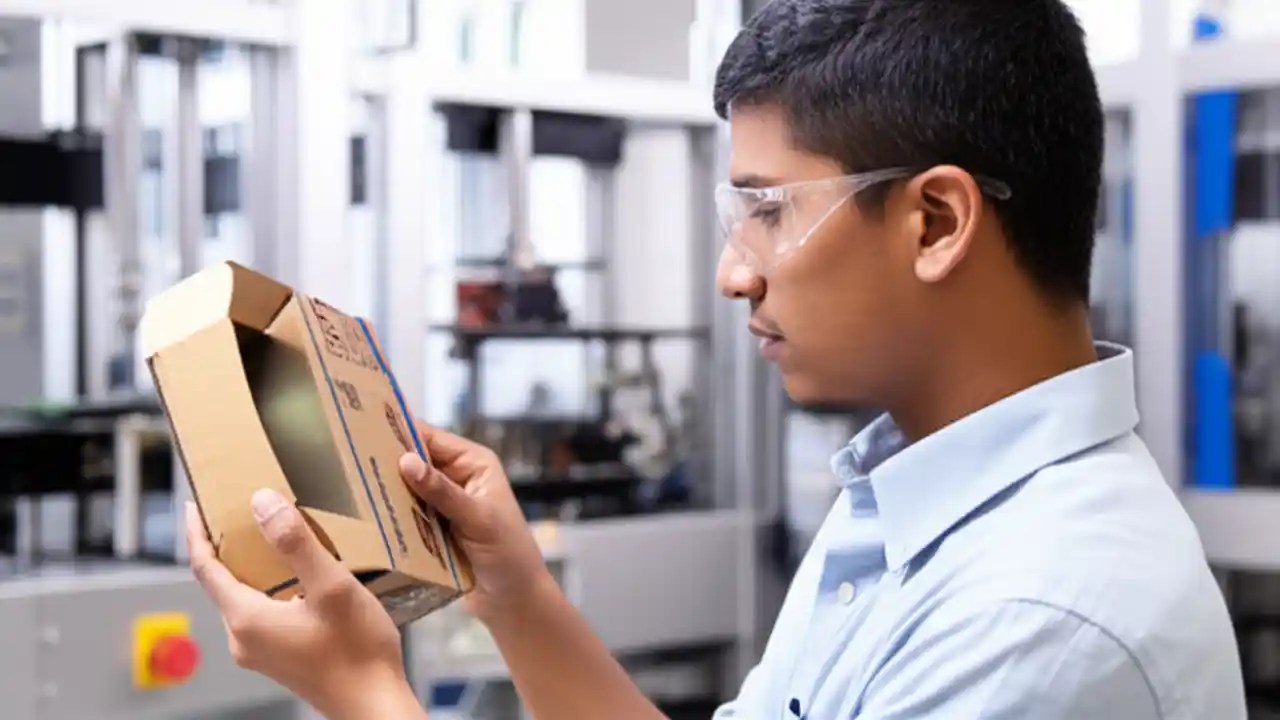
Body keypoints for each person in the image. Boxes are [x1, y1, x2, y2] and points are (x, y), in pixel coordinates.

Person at [186, 0, 1247, 717]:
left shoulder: (1037, 617)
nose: (733, 275)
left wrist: (366, 696)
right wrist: (513, 593)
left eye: (768, 211)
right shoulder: (911, 508)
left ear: (933, 221)